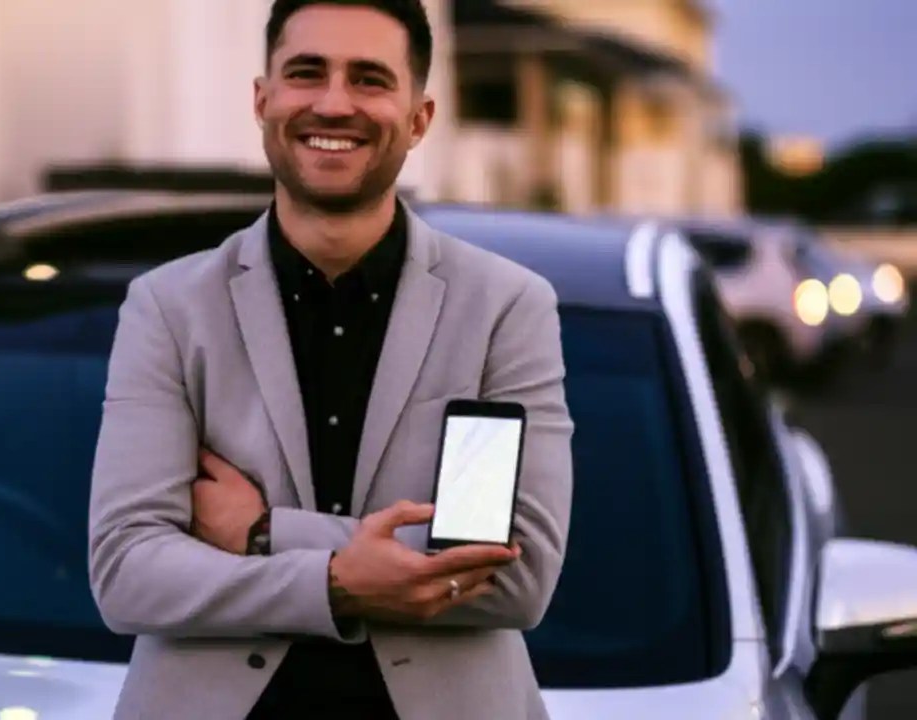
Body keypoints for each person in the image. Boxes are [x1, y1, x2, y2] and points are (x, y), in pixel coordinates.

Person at [87, 0, 574, 717]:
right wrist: (339, 579)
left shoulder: (506, 308)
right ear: (263, 100)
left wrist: (264, 533)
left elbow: (516, 574)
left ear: (419, 117)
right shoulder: (168, 308)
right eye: (307, 72)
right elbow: (127, 571)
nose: (334, 102)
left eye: (370, 79)